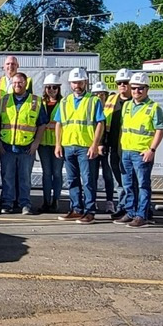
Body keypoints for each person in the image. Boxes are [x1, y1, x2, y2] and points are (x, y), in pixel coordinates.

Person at [54, 67, 105, 224]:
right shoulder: (64, 102)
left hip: (85, 147)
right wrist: (58, 144)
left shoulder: (93, 100)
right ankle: (76, 209)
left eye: (80, 82)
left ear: (85, 82)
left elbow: (100, 124)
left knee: (88, 180)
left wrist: (94, 145)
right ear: (70, 84)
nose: (77, 85)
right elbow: (59, 124)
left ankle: (89, 211)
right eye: (74, 82)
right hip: (68, 145)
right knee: (72, 180)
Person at [116, 72, 163, 228]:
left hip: (142, 152)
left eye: (140, 88)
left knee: (143, 185)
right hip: (127, 151)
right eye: (134, 88)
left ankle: (141, 215)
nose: (137, 91)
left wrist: (152, 149)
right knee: (128, 185)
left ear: (147, 89)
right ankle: (131, 212)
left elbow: (160, 129)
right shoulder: (127, 106)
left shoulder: (153, 108)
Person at [0, 72, 48, 215]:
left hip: (27, 148)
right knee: (7, 176)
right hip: (7, 146)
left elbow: (42, 124)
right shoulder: (4, 101)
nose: (17, 85)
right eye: (14, 83)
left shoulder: (35, 102)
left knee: (25, 178)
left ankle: (25, 204)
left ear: (26, 83)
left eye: (20, 83)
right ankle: (7, 203)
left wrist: (36, 143)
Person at [105, 69, 134, 219]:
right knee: (120, 180)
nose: (122, 85)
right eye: (119, 83)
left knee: (132, 180)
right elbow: (104, 122)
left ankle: (134, 209)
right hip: (114, 147)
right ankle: (122, 207)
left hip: (130, 147)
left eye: (125, 82)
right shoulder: (111, 100)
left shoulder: (136, 101)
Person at [37, 73, 65, 213]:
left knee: (57, 173)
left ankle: (56, 200)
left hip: (57, 143)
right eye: (49, 87)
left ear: (59, 88)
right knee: (46, 173)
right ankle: (46, 201)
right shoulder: (40, 103)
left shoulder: (64, 103)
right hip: (43, 143)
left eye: (54, 87)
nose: (52, 90)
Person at [91, 80, 118, 213]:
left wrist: (102, 144)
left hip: (106, 148)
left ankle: (109, 202)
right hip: (92, 147)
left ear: (106, 96)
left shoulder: (109, 110)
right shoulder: (90, 108)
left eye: (101, 94)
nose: (98, 97)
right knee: (92, 175)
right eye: (95, 94)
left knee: (108, 175)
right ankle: (93, 201)